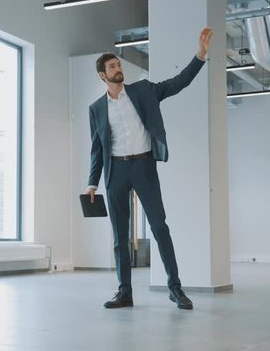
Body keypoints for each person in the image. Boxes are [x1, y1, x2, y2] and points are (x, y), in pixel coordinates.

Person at [85, 27, 214, 310]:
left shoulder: (143, 90)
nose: (118, 68)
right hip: (115, 171)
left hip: (143, 165)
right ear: (102, 76)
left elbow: (177, 83)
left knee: (159, 227)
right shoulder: (96, 109)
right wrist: (92, 183)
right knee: (120, 235)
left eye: (118, 64)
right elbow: (97, 148)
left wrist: (200, 56)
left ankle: (175, 288)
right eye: (112, 66)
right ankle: (124, 292)